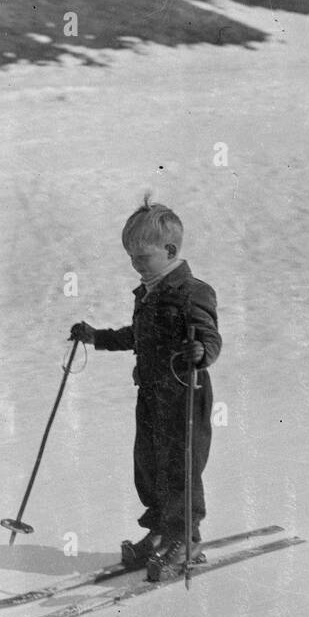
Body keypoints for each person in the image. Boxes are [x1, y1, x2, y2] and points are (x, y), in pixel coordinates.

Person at [70, 195, 221, 578]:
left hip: (185, 395)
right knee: (149, 465)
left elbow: (211, 340)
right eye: (132, 258)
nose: (136, 265)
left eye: (143, 257)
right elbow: (137, 336)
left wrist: (200, 350)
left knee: (180, 467)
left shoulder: (193, 292)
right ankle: (159, 532)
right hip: (152, 394)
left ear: (169, 250)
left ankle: (185, 539)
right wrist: (95, 337)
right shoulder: (147, 293)